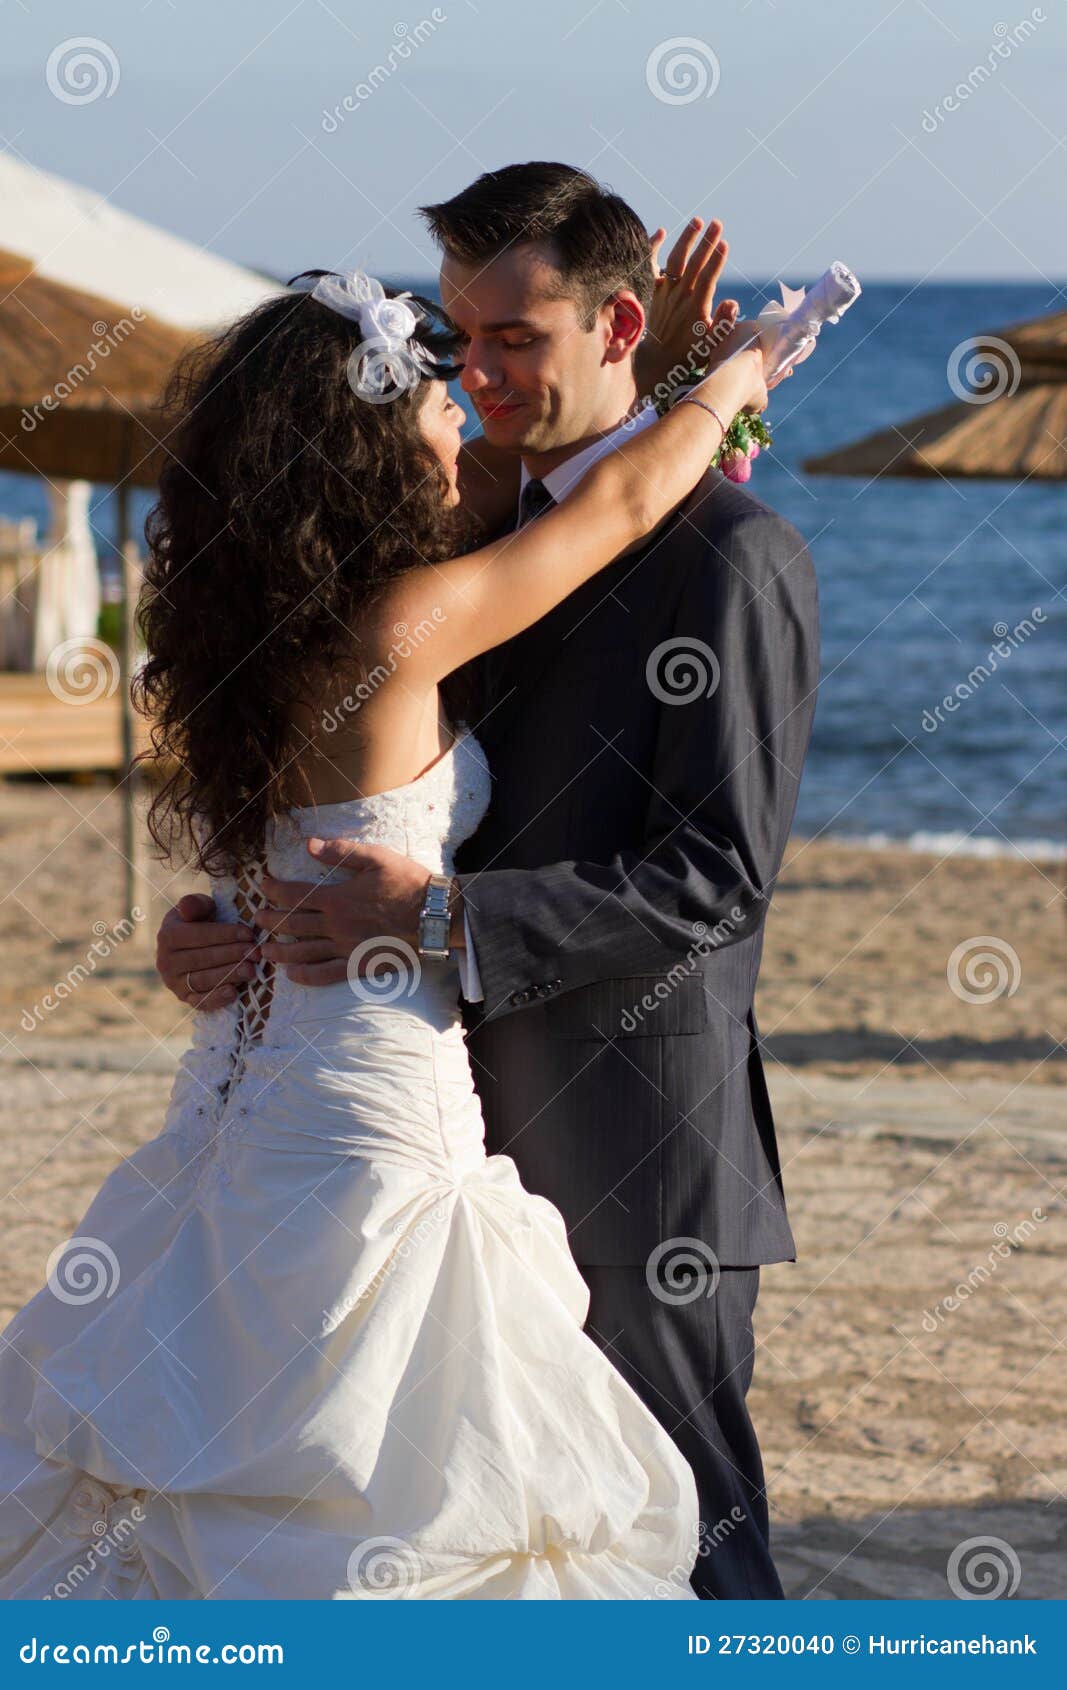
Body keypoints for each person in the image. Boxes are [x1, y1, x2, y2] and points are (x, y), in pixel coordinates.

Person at [0, 236, 769, 1599]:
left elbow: (261, 865)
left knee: (219, 1462)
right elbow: (620, 507)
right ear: (370, 447)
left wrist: (203, 928)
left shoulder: (251, 639)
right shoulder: (403, 626)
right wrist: (725, 381)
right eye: (434, 409)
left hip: (235, 1105)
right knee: (404, 1503)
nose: (460, 425)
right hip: (368, 1115)